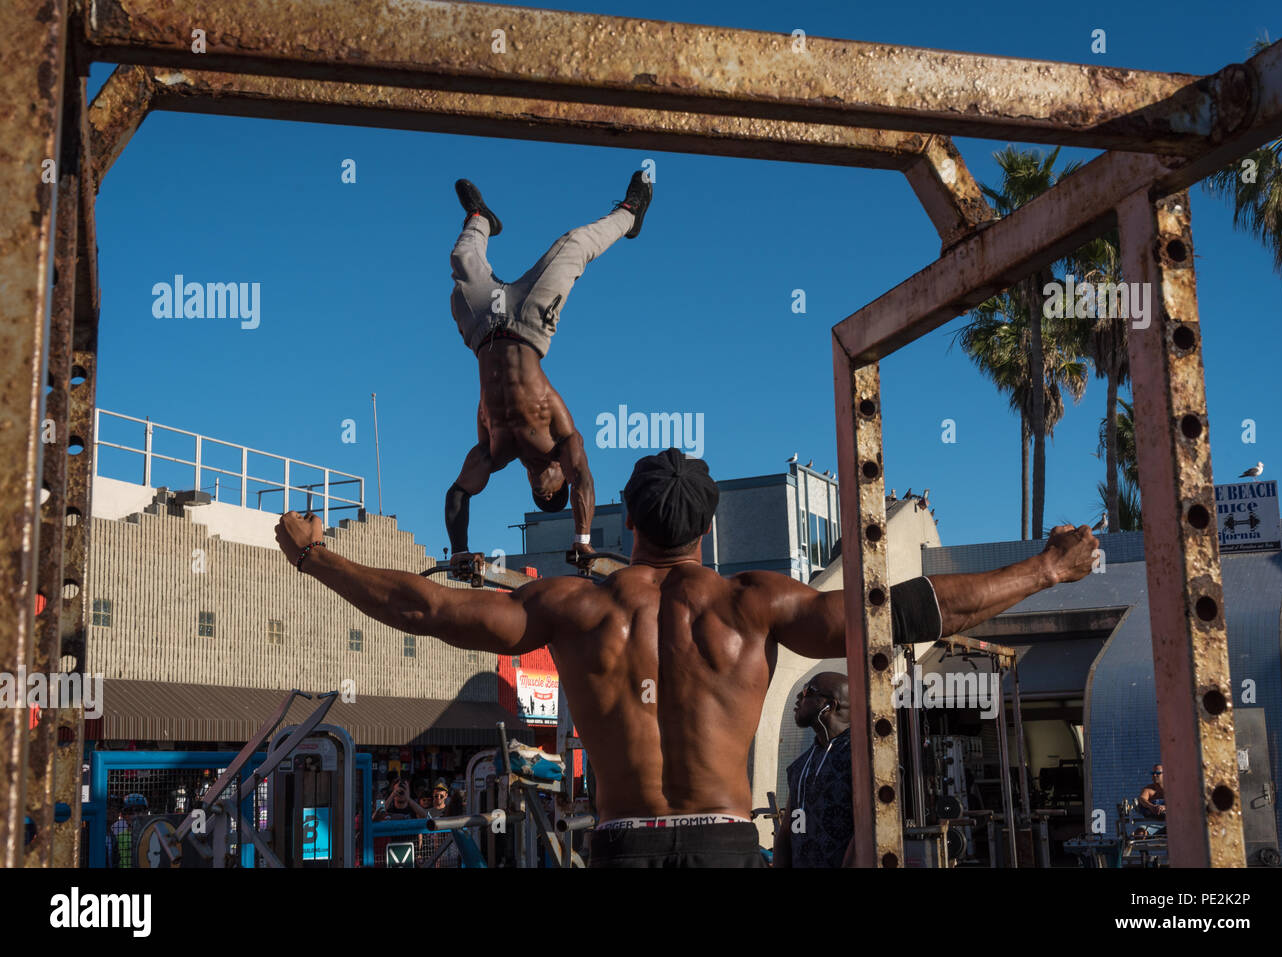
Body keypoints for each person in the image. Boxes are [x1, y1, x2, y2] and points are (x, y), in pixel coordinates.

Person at [277, 448, 1097, 867]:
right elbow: (907, 610)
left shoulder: (575, 605)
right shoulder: (755, 604)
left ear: (629, 523)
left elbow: (428, 608)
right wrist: (1047, 569)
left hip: (625, 843)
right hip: (727, 846)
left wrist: (317, 558)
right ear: (710, 528)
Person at [445, 173, 652, 565]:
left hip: (483, 328)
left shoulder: (497, 450)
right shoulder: (563, 442)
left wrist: (458, 551)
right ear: (562, 477)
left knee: (461, 261)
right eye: (551, 493)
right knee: (573, 245)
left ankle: (480, 218)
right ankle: (630, 214)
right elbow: (585, 479)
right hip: (528, 321)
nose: (541, 489)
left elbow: (459, 492)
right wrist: (583, 538)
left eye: (537, 495)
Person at [772, 672, 855, 868]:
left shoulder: (861, 755)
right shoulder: (801, 765)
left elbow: (866, 830)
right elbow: (787, 832)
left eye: (808, 692)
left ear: (830, 705)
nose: (799, 698)